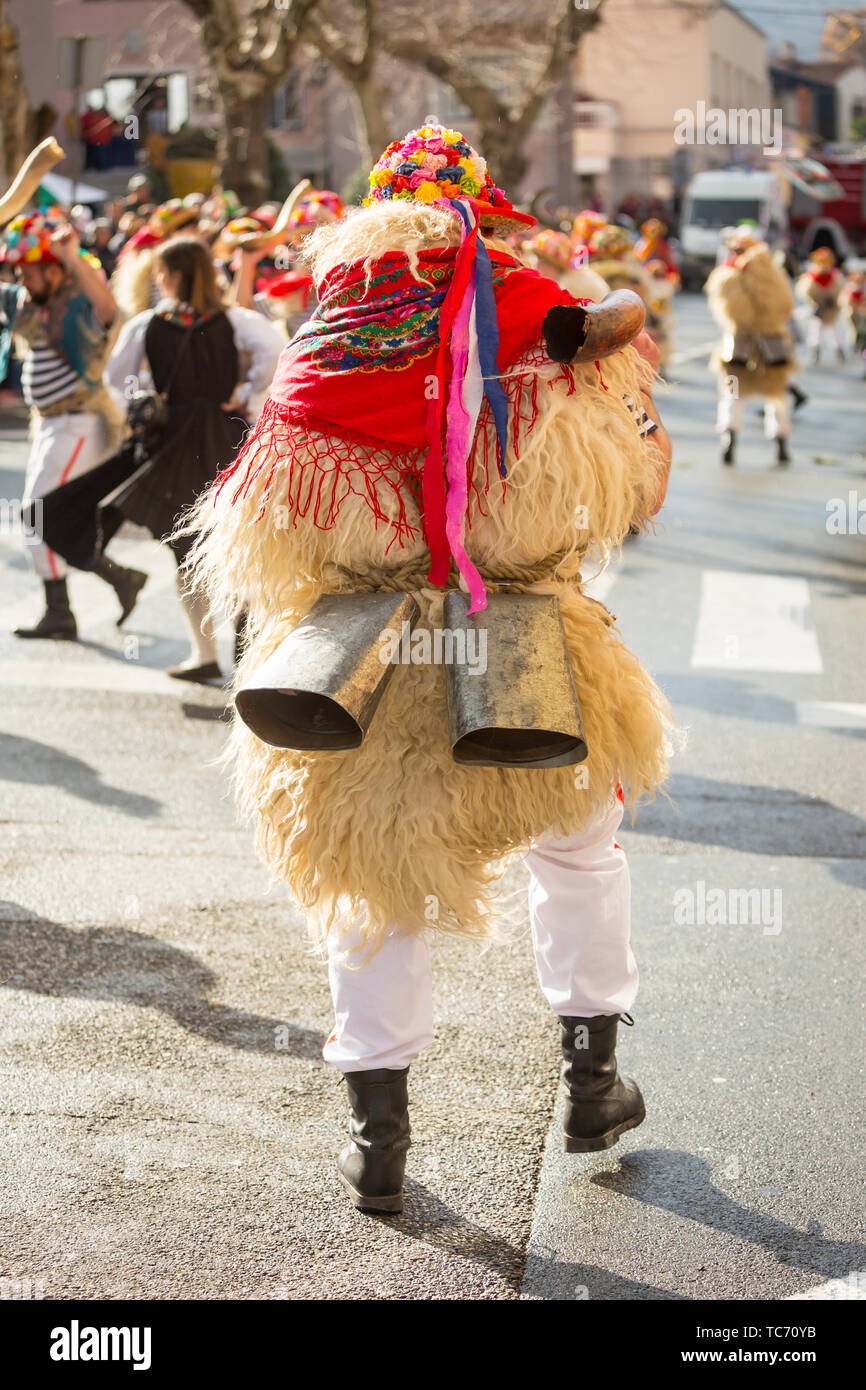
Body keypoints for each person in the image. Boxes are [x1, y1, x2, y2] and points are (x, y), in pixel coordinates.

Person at [185, 123, 674, 1213]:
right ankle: (591, 1082)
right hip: (530, 639)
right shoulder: (539, 312)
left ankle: (377, 1141)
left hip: (356, 661)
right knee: (581, 848)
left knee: (366, 878)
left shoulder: (327, 333)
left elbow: (266, 531)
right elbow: (635, 487)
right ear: (481, 215)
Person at [103, 236, 282, 681]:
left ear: (175, 275)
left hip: (175, 440)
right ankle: (245, 633)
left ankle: (203, 655)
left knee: (185, 544)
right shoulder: (236, 320)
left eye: (162, 273)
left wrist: (144, 399)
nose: (159, 280)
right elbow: (277, 353)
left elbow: (117, 377)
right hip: (226, 434)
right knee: (233, 535)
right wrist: (246, 392)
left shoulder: (148, 324)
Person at [0, 213, 146, 640]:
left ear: (53, 271)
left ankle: (65, 607)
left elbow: (109, 311)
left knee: (38, 514)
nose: (22, 280)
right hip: (50, 426)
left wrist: (71, 256)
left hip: (79, 423)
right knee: (49, 515)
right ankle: (113, 581)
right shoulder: (30, 302)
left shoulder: (79, 301)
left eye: (29, 273)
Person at [705, 225, 796, 467]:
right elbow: (784, 306)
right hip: (748, 341)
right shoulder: (735, 275)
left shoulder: (757, 274)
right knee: (739, 391)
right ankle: (734, 436)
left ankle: (774, 439)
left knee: (770, 393)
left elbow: (781, 306)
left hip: (757, 340)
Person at [797, 247, 845, 365]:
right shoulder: (811, 277)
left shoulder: (835, 276)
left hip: (831, 310)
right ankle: (816, 351)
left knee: (835, 332)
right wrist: (815, 302)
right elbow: (805, 291)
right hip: (819, 309)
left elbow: (841, 290)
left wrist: (835, 300)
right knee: (815, 333)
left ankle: (839, 350)